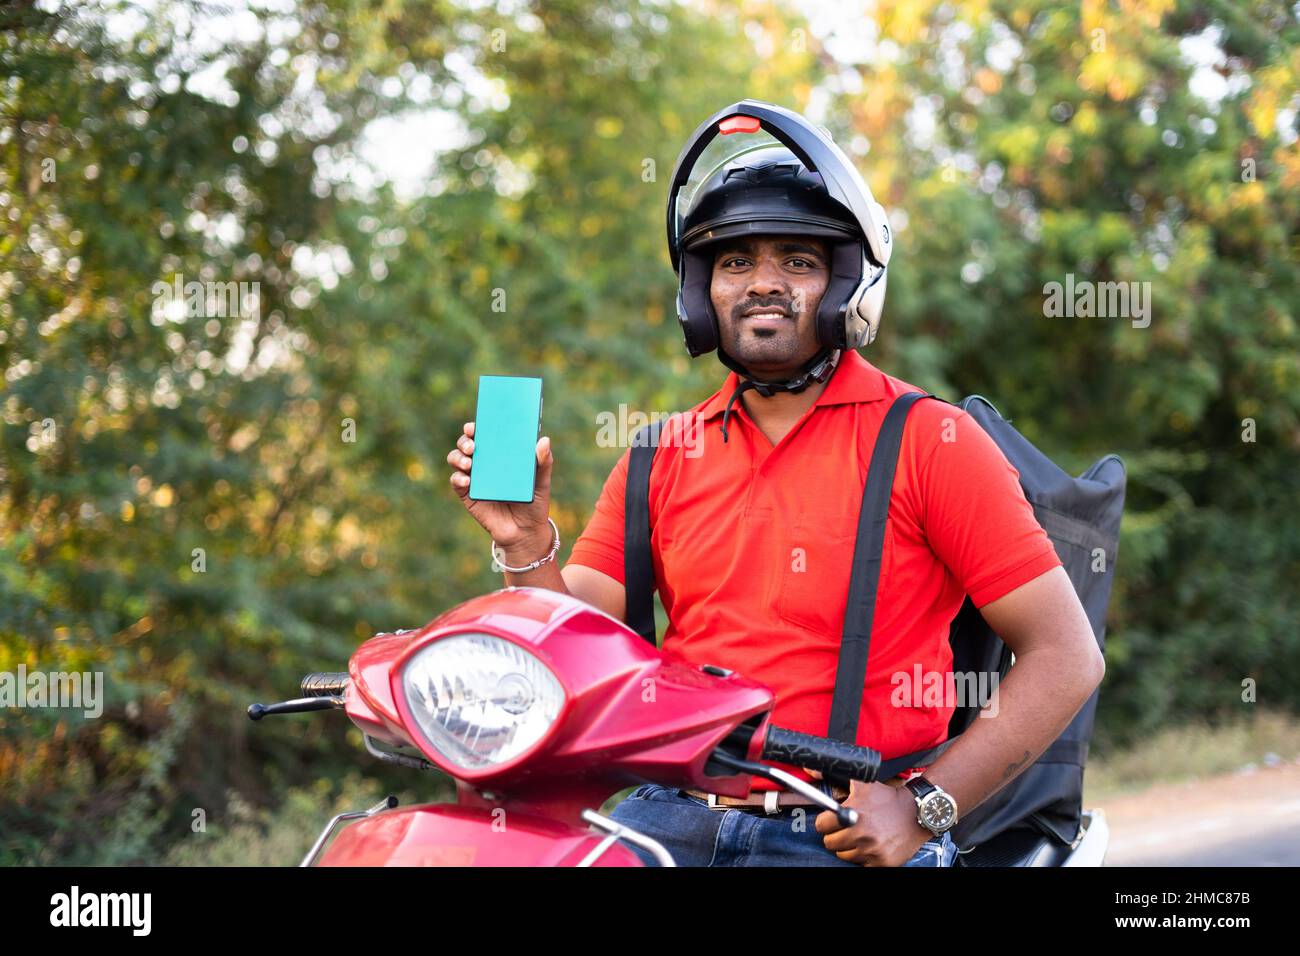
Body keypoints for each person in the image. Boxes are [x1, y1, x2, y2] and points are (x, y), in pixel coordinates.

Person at [445, 101, 1103, 867]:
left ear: (844, 280)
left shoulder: (931, 440)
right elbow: (573, 651)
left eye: (797, 259)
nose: (762, 283)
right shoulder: (661, 452)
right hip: (668, 814)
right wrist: (527, 541)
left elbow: (1066, 655)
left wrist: (926, 807)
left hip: (841, 829)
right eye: (734, 261)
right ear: (702, 290)